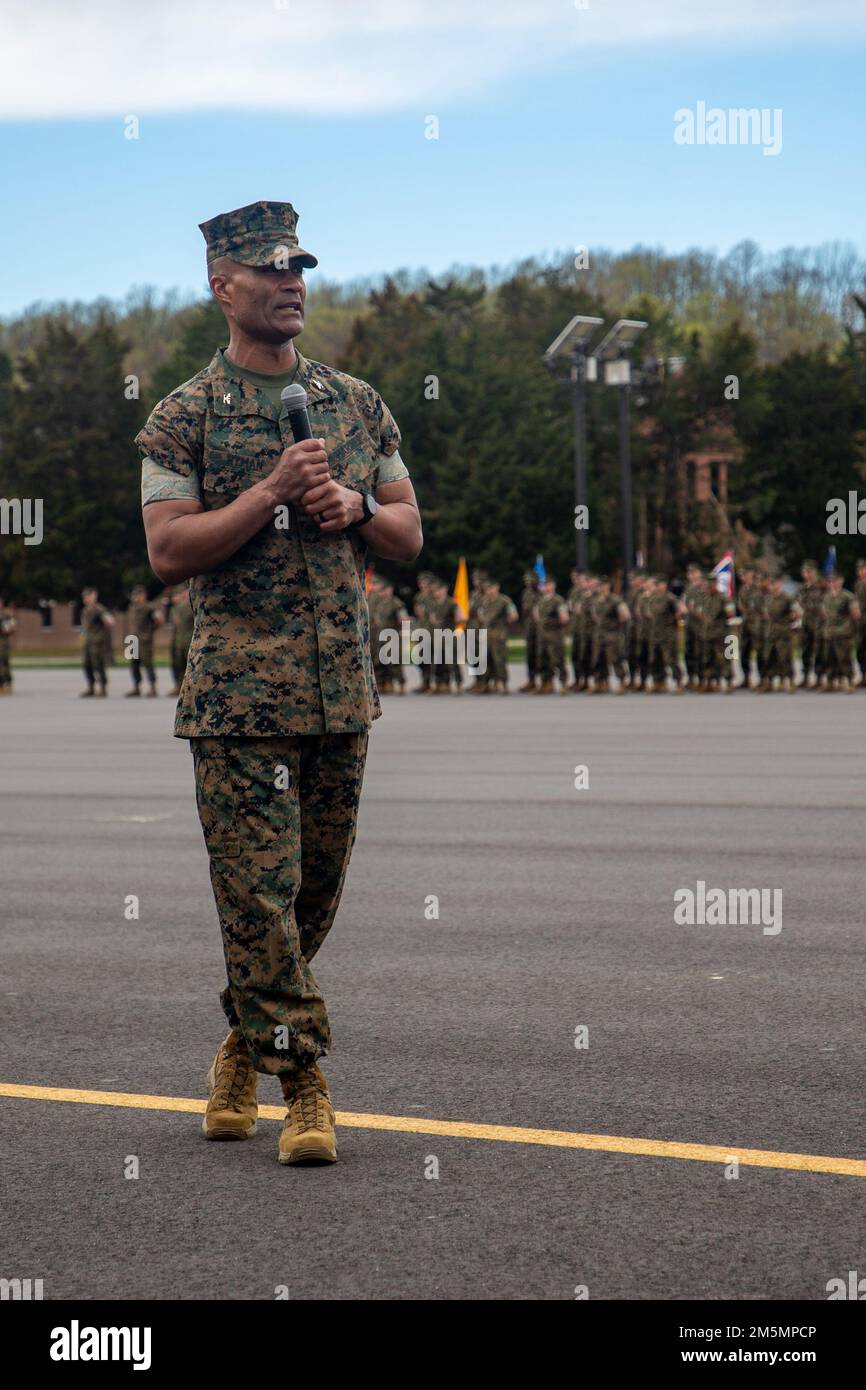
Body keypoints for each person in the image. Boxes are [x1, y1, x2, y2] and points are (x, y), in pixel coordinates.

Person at [138, 200, 422, 1166]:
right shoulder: (183, 416)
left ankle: (241, 1040)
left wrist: (351, 509)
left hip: (339, 691)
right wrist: (265, 493)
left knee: (310, 898)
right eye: (268, 268)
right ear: (224, 286)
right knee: (256, 899)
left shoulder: (354, 403)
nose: (291, 280)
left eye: (299, 263)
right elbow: (170, 549)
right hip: (236, 702)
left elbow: (410, 531)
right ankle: (302, 1084)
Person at [477, 577, 517, 693]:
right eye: (487, 588)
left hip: (499, 635)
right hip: (486, 634)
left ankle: (503, 684)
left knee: (499, 660)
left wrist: (506, 622)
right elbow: (480, 615)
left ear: (497, 587)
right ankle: (486, 684)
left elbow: (513, 615)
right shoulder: (484, 600)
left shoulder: (504, 600)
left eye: (491, 588)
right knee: (485, 660)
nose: (489, 591)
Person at [821, 572, 860, 692]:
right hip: (830, 631)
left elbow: (856, 614)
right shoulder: (827, 597)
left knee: (844, 658)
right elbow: (824, 613)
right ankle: (831, 682)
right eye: (831, 581)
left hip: (843, 632)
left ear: (841, 581)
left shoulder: (848, 596)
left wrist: (848, 626)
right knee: (829, 657)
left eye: (835, 580)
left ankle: (850, 681)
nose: (832, 583)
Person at [533, 577, 569, 693]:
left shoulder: (558, 600)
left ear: (553, 585)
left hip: (554, 634)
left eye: (548, 584)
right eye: (544, 585)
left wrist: (554, 623)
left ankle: (563, 683)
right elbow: (536, 615)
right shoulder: (540, 600)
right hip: (542, 634)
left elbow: (564, 618)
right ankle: (546, 683)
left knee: (558, 659)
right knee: (543, 659)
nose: (546, 587)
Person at [126, 585, 162, 698]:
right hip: (133, 640)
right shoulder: (133, 608)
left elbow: (159, 620)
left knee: (148, 663)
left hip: (145, 640)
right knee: (133, 664)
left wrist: (151, 631)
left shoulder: (149, 607)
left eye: (137, 595)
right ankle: (136, 687)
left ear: (143, 596)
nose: (135, 598)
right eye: (134, 595)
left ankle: (153, 687)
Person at [79, 588, 114, 698]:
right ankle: (91, 687)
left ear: (94, 596)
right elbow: (85, 627)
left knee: (99, 665)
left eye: (88, 596)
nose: (86, 599)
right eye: (84, 597)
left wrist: (102, 634)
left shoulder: (99, 609)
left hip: (98, 642)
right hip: (88, 642)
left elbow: (110, 621)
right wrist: (82, 636)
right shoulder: (85, 610)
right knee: (87, 665)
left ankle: (103, 688)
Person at [795, 560, 823, 690]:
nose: (806, 574)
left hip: (818, 624)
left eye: (809, 572)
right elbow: (797, 604)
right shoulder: (802, 589)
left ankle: (819, 678)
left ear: (815, 572)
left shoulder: (821, 587)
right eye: (804, 572)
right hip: (805, 623)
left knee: (818, 651)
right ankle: (805, 676)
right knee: (805, 650)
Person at [167, 586, 194, 696]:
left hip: (188, 640)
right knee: (177, 665)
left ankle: (189, 688)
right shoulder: (174, 609)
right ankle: (179, 686)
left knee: (189, 666)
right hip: (177, 641)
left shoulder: (191, 607)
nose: (176, 597)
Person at [518, 570, 539, 692]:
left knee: (540, 655)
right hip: (528, 628)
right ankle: (531, 680)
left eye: (530, 580)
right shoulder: (525, 593)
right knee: (530, 655)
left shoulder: (540, 594)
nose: (528, 582)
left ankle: (543, 681)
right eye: (526, 580)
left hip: (538, 630)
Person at [0, 596, 16, 695]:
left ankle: (8, 682)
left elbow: (10, 629)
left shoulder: (5, 616)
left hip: (3, 644)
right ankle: (1, 684)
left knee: (5, 663)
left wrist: (7, 629)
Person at [854, 559, 866, 687]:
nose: (861, 572)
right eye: (859, 570)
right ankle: (863, 675)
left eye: (863, 569)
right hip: (861, 622)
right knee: (860, 649)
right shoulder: (858, 584)